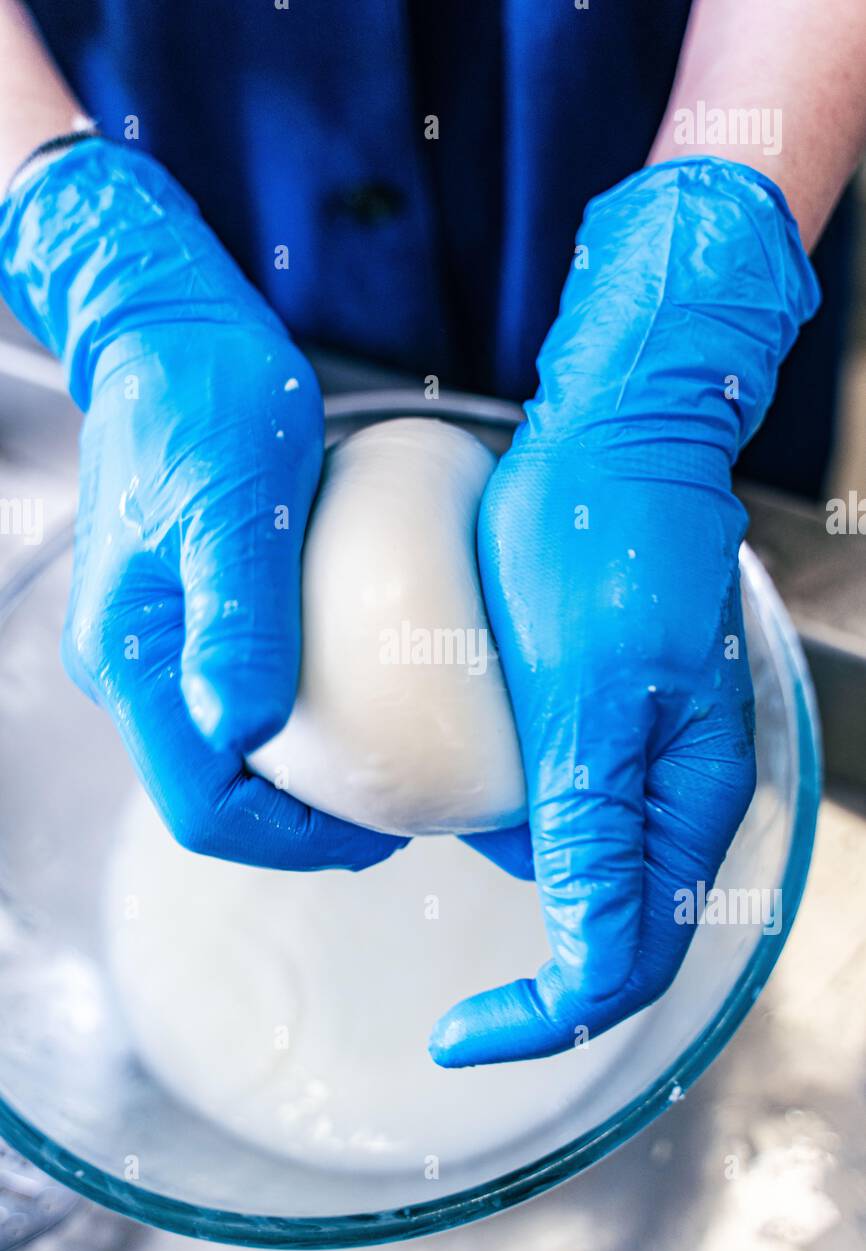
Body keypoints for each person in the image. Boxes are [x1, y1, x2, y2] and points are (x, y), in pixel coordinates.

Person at [0, 0, 864, 1066]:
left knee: (663, 674)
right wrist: (65, 215)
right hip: (187, 149)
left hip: (666, 101)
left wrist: (707, 276)